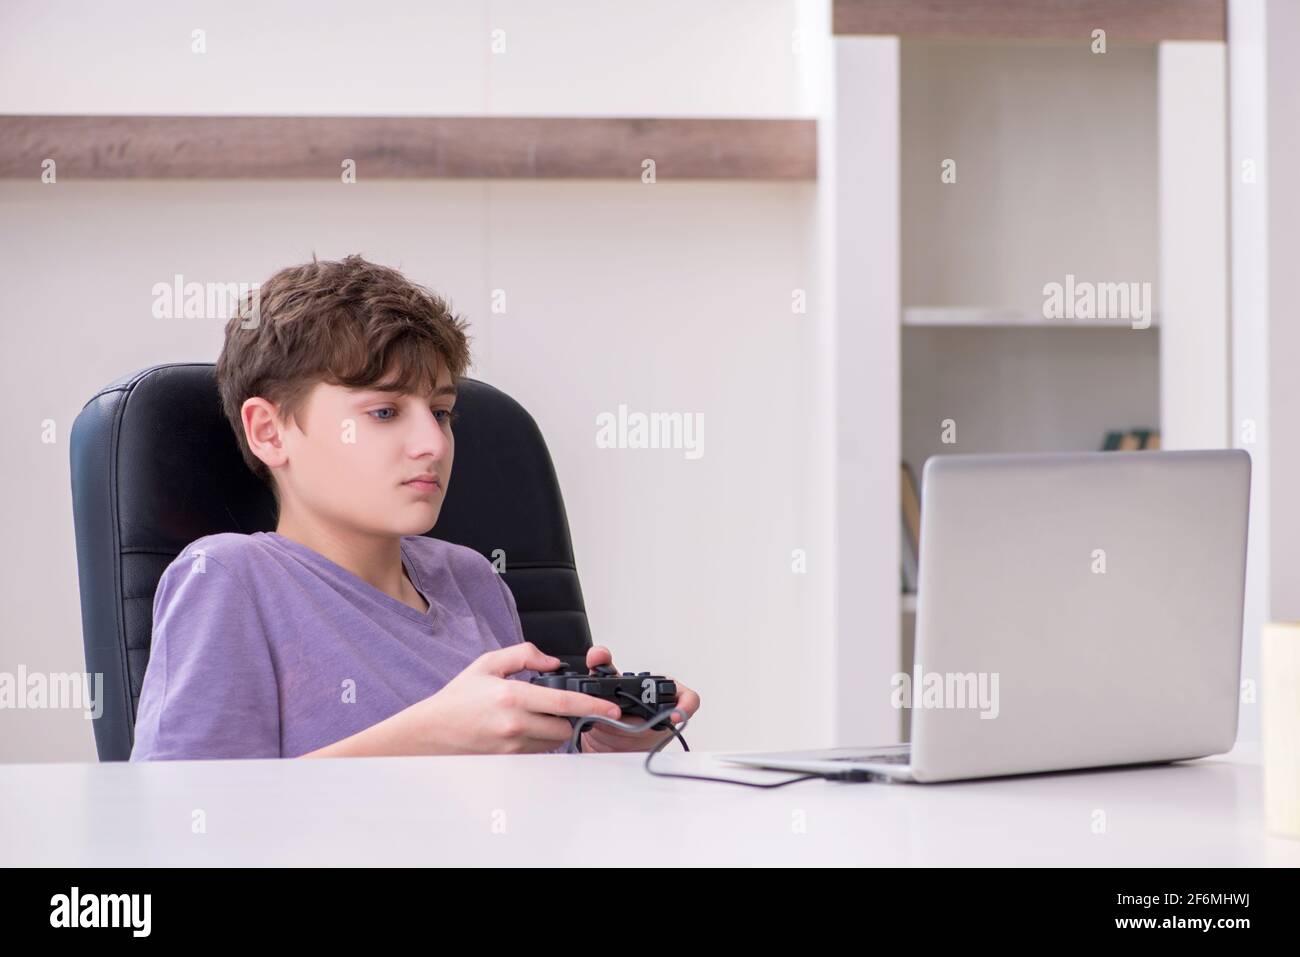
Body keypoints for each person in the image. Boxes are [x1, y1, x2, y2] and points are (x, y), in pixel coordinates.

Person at [130, 254, 699, 759]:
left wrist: (598, 744)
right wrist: (428, 738)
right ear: (270, 431)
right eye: (383, 412)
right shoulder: (229, 578)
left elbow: (530, 798)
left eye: (442, 412)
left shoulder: (472, 578)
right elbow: (184, 823)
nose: (433, 443)